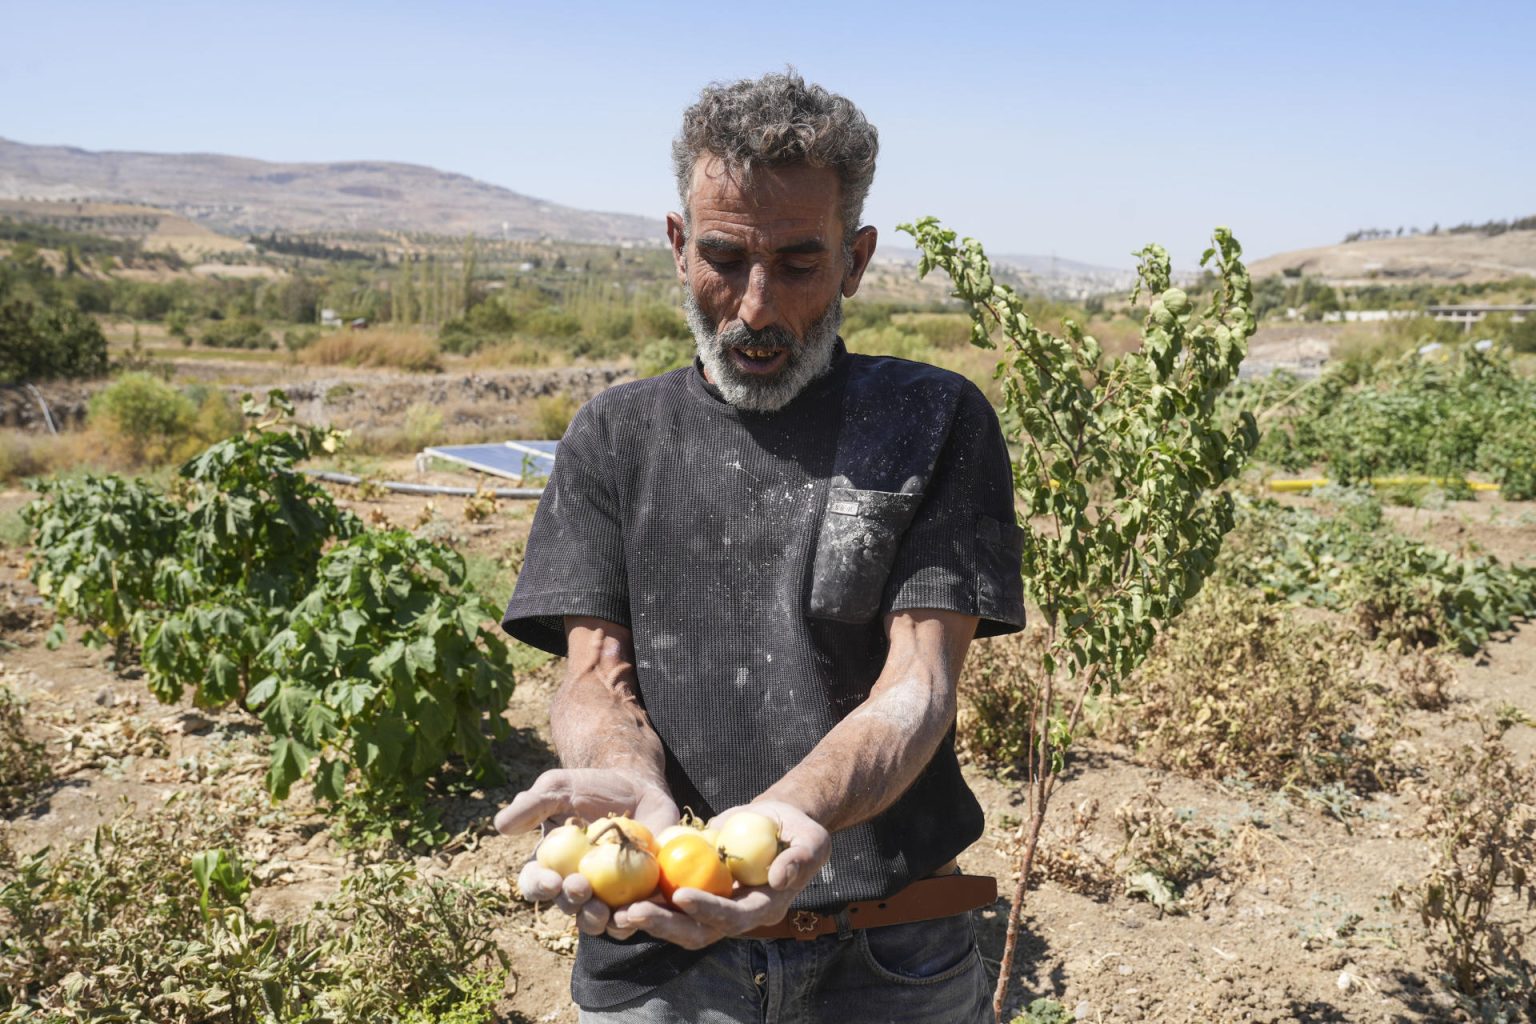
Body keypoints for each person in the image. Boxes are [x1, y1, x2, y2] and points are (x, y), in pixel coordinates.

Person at [494, 70, 1025, 1023]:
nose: (753, 306)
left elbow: (921, 677)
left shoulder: (933, 420)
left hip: (890, 952)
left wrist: (798, 812)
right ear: (675, 243)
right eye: (724, 257)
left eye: (797, 263)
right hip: (654, 940)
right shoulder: (615, 435)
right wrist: (626, 780)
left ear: (856, 260)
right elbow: (593, 674)